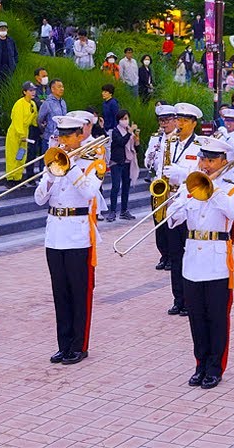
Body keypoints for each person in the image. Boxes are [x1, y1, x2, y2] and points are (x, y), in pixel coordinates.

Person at [164, 136, 234, 389]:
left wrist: (211, 190)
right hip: (193, 261)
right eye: (202, 159)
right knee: (196, 317)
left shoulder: (232, 186)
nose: (205, 165)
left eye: (211, 160)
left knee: (217, 318)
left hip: (218, 261)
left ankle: (215, 367)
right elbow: (171, 218)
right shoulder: (190, 187)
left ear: (223, 162)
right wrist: (182, 202)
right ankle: (200, 364)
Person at [34, 113, 106, 365]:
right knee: (60, 292)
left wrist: (70, 165)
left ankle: (79, 345)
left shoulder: (95, 159)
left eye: (67, 136)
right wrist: (52, 175)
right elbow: (39, 199)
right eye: (60, 135)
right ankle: (63, 344)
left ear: (80, 136)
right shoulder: (53, 161)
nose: (62, 141)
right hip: (54, 233)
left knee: (79, 292)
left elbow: (88, 192)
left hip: (78, 234)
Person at [159, 103, 205, 316]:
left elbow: (201, 173)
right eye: (178, 120)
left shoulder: (199, 146)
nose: (180, 124)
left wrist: (181, 172)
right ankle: (178, 298)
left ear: (194, 123)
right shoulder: (169, 142)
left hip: (190, 200)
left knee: (189, 253)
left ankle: (189, 298)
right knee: (175, 254)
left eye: (185, 121)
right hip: (171, 200)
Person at [145, 104, 179, 271]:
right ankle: (164, 255)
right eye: (161, 121)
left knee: (171, 224)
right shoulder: (155, 138)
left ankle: (173, 256)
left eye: (167, 121)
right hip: (159, 185)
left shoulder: (179, 139)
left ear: (175, 121)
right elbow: (147, 161)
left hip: (172, 188)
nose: (164, 124)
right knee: (158, 223)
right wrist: (151, 156)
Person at [105, 109, 139, 221]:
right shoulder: (115, 131)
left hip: (128, 162)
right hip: (117, 162)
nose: (125, 121)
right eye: (122, 119)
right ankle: (112, 211)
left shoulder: (131, 132)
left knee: (126, 187)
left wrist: (136, 140)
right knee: (115, 186)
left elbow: (135, 149)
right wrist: (129, 133)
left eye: (126, 118)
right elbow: (121, 142)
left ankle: (124, 210)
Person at [38, 78, 68, 150]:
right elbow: (40, 119)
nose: (62, 89)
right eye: (59, 87)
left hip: (61, 138)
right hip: (49, 139)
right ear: (52, 89)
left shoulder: (63, 102)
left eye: (62, 87)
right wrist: (47, 129)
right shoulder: (47, 103)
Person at [0, 20, 18, 88]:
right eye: (1, 29)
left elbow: (15, 54)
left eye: (4, 29)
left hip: (9, 68)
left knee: (7, 86)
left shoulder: (11, 40)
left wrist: (14, 64)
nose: (3, 30)